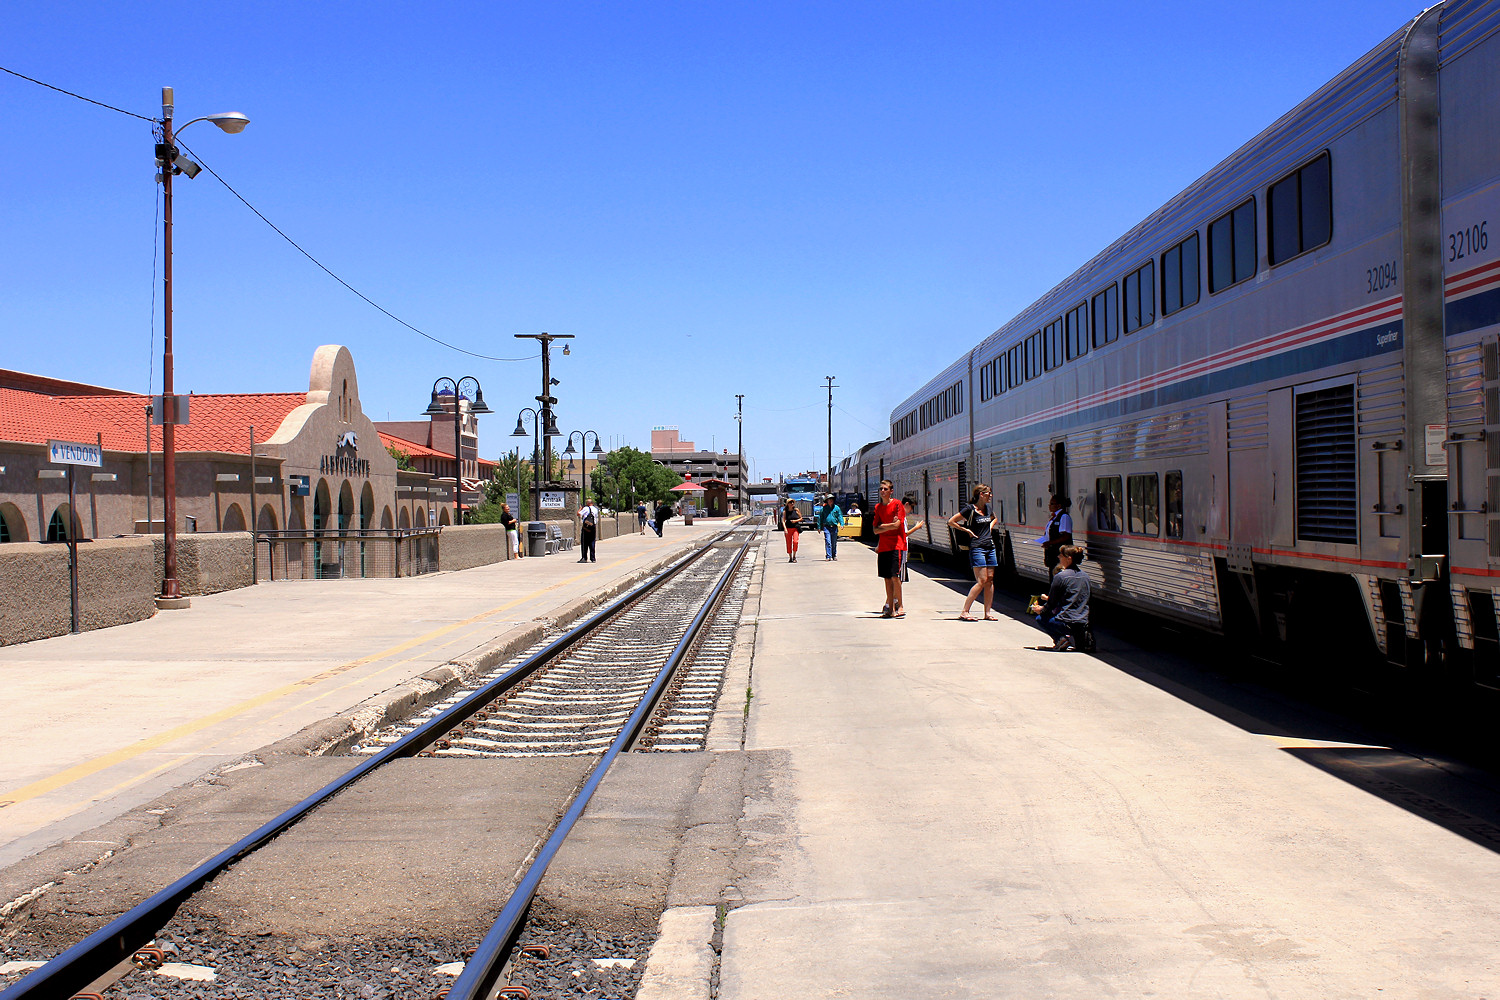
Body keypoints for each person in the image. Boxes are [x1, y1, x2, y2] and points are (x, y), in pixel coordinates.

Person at [1028, 544, 1091, 651]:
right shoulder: (1085, 576)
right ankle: (1081, 640)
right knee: (1081, 647)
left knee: (1041, 619)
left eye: (1061, 555)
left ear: (1068, 558)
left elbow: (1051, 604)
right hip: (1083, 622)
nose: (1058, 557)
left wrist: (1040, 610)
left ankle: (1060, 640)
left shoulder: (1060, 577)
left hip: (1066, 621)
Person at [948, 484, 997, 620]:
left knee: (990, 580)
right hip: (977, 547)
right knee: (982, 580)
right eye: (989, 493)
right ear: (981, 494)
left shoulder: (988, 508)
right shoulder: (970, 509)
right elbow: (951, 521)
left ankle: (987, 613)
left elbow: (994, 518)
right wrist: (967, 530)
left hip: (990, 546)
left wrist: (990, 528)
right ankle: (965, 611)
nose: (990, 496)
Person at [871, 480, 906, 617]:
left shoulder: (897, 505)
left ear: (891, 491)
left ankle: (900, 605)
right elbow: (874, 530)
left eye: (885, 489)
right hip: (884, 547)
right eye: (881, 489)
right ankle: (890, 609)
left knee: (894, 577)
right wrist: (888, 525)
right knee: (886, 578)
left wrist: (882, 526)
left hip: (896, 545)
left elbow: (897, 525)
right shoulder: (878, 507)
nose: (882, 491)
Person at [1032, 494, 1074, 577]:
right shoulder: (1054, 518)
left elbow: (1066, 536)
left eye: (1051, 504)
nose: (1049, 506)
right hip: (1052, 553)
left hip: (1060, 553)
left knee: (1059, 576)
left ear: (1058, 506)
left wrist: (1050, 542)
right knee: (1053, 575)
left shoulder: (1064, 517)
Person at [900, 493, 924, 584]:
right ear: (906, 504)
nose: (912, 510)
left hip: (901, 550)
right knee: (900, 579)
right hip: (901, 551)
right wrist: (916, 527)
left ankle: (894, 598)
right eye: (912, 507)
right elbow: (904, 534)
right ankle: (895, 598)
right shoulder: (901, 516)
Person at [818, 495, 844, 560]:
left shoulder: (836, 508)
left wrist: (842, 524)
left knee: (834, 542)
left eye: (832, 499)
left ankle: (834, 555)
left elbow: (840, 516)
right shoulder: (823, 509)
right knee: (828, 541)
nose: (830, 500)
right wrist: (819, 527)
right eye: (829, 499)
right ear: (827, 500)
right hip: (827, 527)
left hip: (834, 527)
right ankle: (828, 556)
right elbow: (820, 518)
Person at [577, 497, 600, 563]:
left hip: (586, 528)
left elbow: (578, 514)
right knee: (592, 542)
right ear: (592, 503)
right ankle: (593, 558)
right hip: (593, 527)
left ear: (587, 503)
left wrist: (580, 509)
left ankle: (584, 558)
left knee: (584, 543)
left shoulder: (586, 509)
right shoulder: (596, 509)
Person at [783, 498, 802, 562]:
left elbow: (801, 518)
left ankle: (794, 556)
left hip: (795, 528)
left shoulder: (796, 510)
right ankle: (790, 557)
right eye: (790, 502)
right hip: (788, 528)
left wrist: (795, 521)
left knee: (795, 541)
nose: (792, 504)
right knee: (788, 543)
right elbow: (783, 520)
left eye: (792, 502)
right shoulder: (785, 511)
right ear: (787, 504)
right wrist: (785, 529)